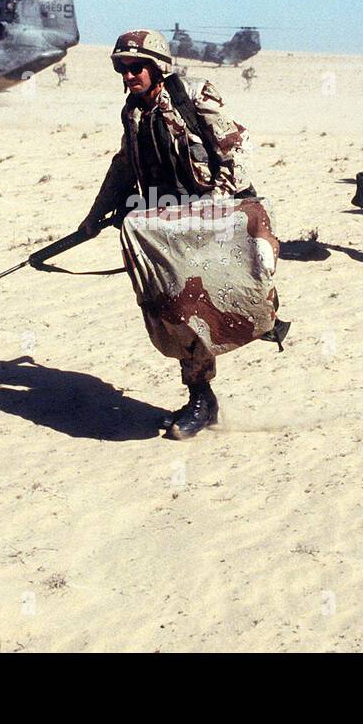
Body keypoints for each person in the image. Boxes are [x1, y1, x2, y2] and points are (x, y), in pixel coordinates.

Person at [79, 30, 276, 439]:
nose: (129, 76)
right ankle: (202, 396)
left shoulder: (195, 96)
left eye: (136, 68)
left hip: (212, 220)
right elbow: (124, 165)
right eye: (122, 69)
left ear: (157, 68)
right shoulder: (132, 112)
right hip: (166, 229)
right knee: (175, 309)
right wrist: (95, 215)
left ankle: (207, 390)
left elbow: (235, 149)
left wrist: (217, 207)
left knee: (213, 300)